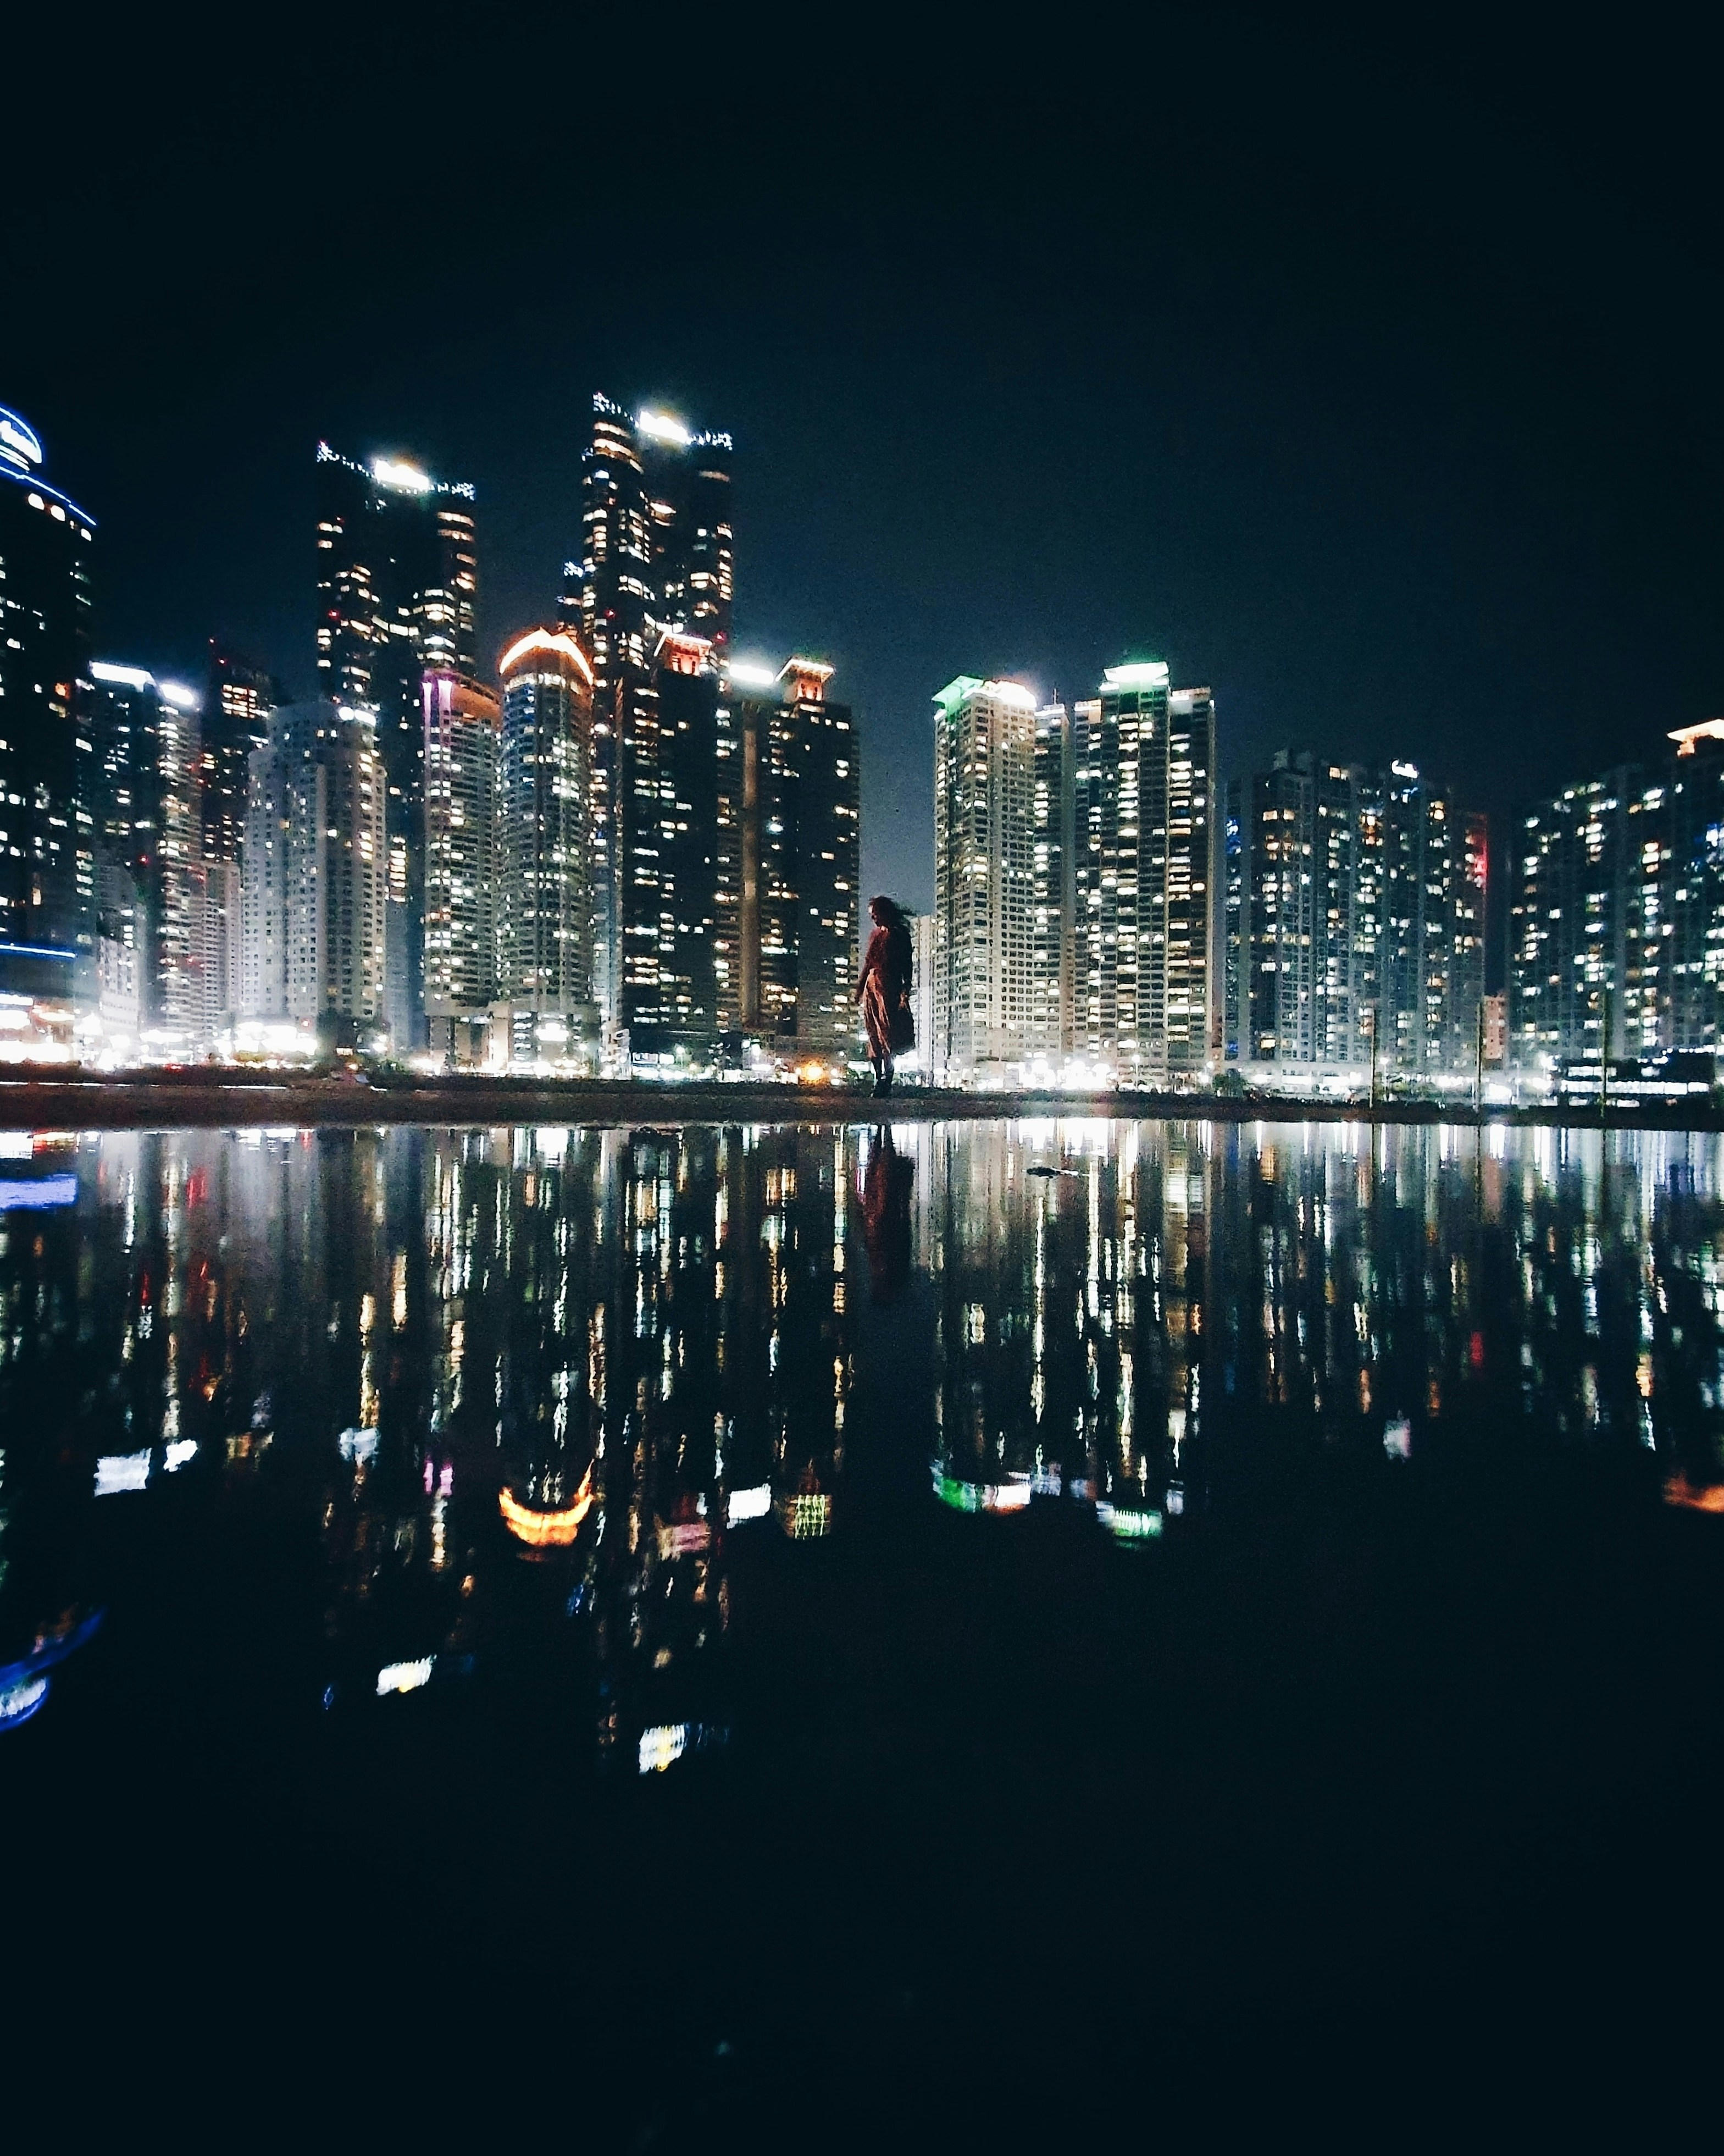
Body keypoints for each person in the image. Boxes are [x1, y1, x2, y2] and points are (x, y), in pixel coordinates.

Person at [856, 894, 913, 1097]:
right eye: (872, 915)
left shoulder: (900, 935)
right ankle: (878, 1077)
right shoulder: (875, 936)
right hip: (872, 985)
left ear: (885, 913)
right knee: (873, 1033)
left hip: (890, 985)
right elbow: (868, 963)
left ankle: (887, 1077)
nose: (874, 919)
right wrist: (859, 989)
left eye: (876, 914)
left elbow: (908, 965)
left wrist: (906, 991)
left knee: (887, 1033)